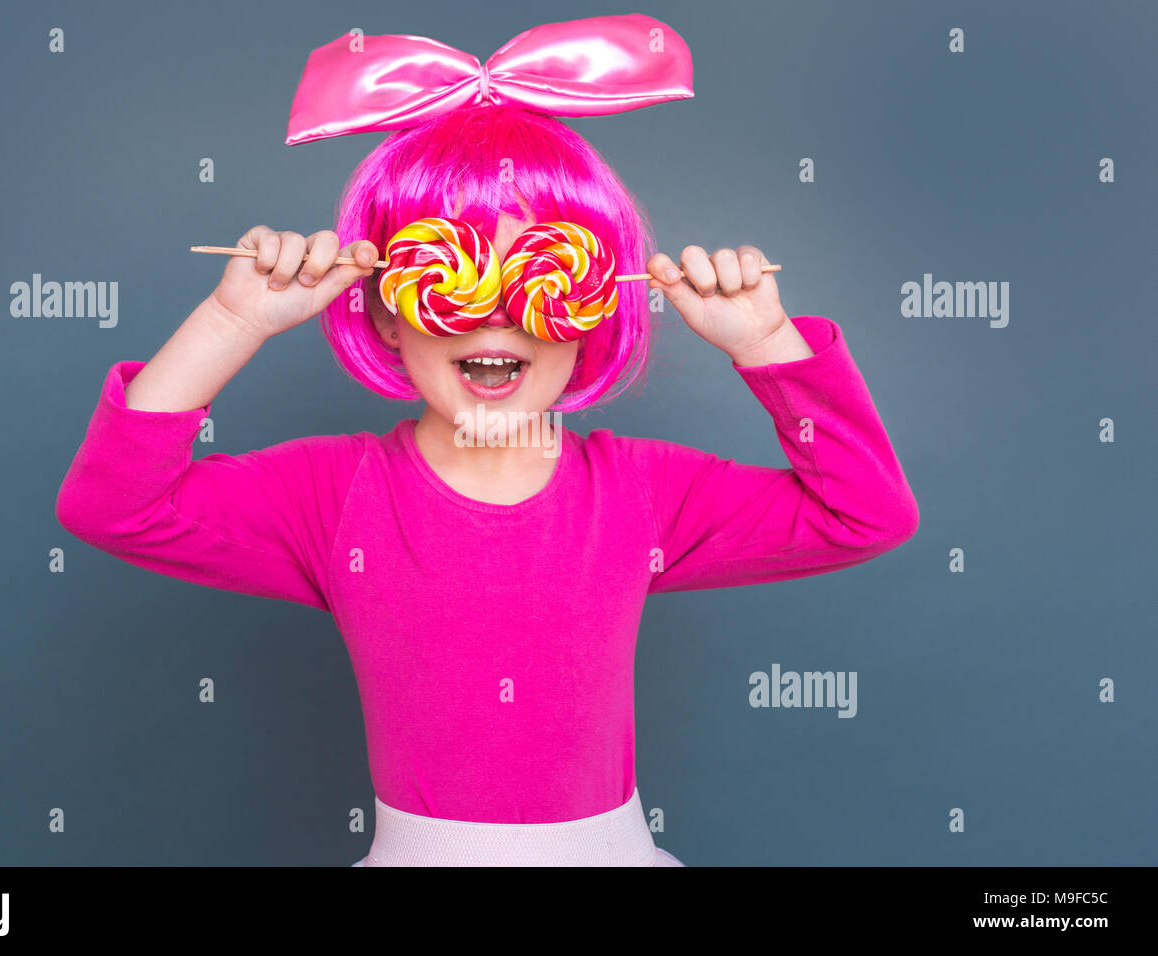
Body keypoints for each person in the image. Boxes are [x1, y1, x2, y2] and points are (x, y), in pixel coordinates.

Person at [54, 16, 919, 866]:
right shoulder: (336, 495)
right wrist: (232, 319)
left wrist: (765, 344)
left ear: (592, 313)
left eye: (544, 278)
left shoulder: (642, 494)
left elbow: (864, 514)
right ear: (389, 314)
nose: (499, 316)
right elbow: (113, 505)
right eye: (450, 282)